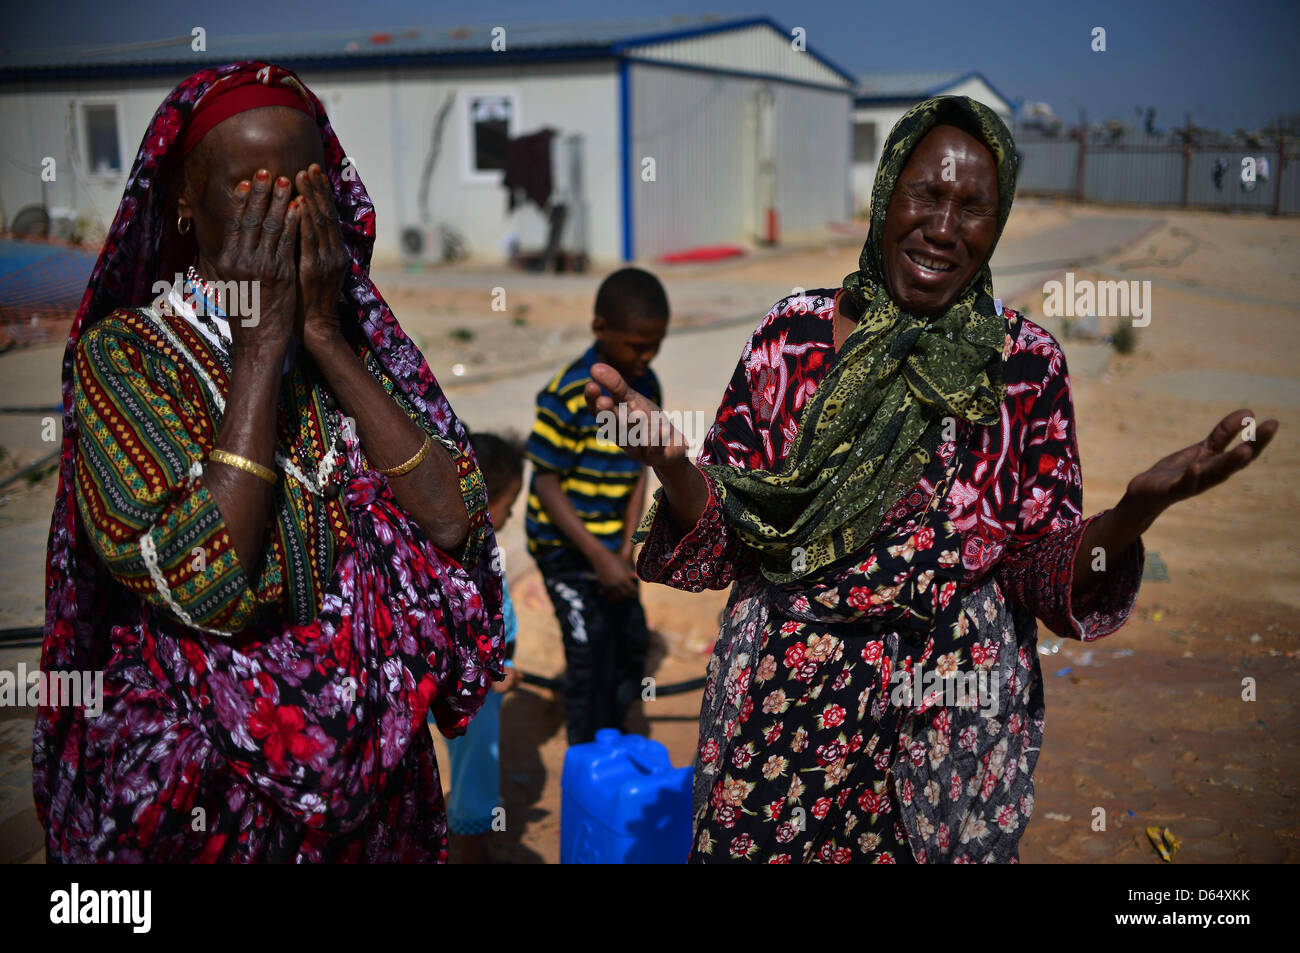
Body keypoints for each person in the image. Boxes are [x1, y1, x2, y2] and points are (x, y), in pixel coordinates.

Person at [588, 96, 1278, 863]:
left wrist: (1135, 515)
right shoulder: (791, 342)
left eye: (974, 207)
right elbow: (727, 542)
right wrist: (673, 464)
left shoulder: (1025, 367)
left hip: (952, 725)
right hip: (786, 716)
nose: (945, 227)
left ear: (999, 222)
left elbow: (1038, 573)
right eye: (927, 195)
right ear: (887, 196)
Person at [34, 62, 505, 863]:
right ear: (184, 204)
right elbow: (202, 581)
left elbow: (454, 514)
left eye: (304, 188)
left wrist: (319, 336)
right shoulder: (129, 358)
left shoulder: (348, 348)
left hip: (376, 787)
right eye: (252, 190)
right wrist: (260, 345)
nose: (283, 213)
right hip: (214, 794)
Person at [523, 267, 667, 745]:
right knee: (586, 650)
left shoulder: (646, 389)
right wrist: (600, 557)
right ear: (600, 329)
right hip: (565, 549)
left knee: (630, 642)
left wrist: (626, 549)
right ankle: (587, 758)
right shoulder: (568, 394)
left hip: (612, 546)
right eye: (636, 346)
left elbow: (639, 472)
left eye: (655, 346)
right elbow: (545, 484)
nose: (646, 358)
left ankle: (616, 735)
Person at [444, 431, 524, 863]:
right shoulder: (466, 556)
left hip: (483, 679)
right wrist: (491, 674)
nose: (510, 516)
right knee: (476, 774)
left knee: (470, 768)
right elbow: (457, 629)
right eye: (509, 505)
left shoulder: (474, 546)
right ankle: (473, 853)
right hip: (476, 689)